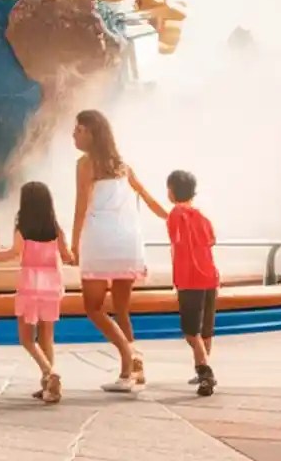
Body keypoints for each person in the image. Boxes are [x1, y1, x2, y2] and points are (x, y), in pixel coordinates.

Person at [69, 109, 168, 393]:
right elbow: (148, 199)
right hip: (129, 242)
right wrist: (175, 217)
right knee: (121, 309)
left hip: (101, 240)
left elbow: (81, 207)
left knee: (93, 308)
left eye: (78, 129)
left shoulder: (85, 164)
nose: (73, 135)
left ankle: (129, 355)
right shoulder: (123, 164)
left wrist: (74, 244)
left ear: (92, 132)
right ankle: (133, 371)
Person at [0, 181, 73, 404]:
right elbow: (68, 256)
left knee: (26, 338)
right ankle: (48, 386)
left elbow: (12, 253)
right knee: (47, 335)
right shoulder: (55, 229)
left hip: (30, 285)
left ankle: (49, 372)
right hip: (52, 285)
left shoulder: (22, 229)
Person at [165, 170, 221, 397]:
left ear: (171, 191)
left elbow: (175, 237)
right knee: (205, 331)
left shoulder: (176, 214)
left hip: (190, 279)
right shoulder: (203, 216)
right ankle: (202, 371)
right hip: (210, 277)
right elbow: (212, 240)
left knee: (190, 332)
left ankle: (205, 372)